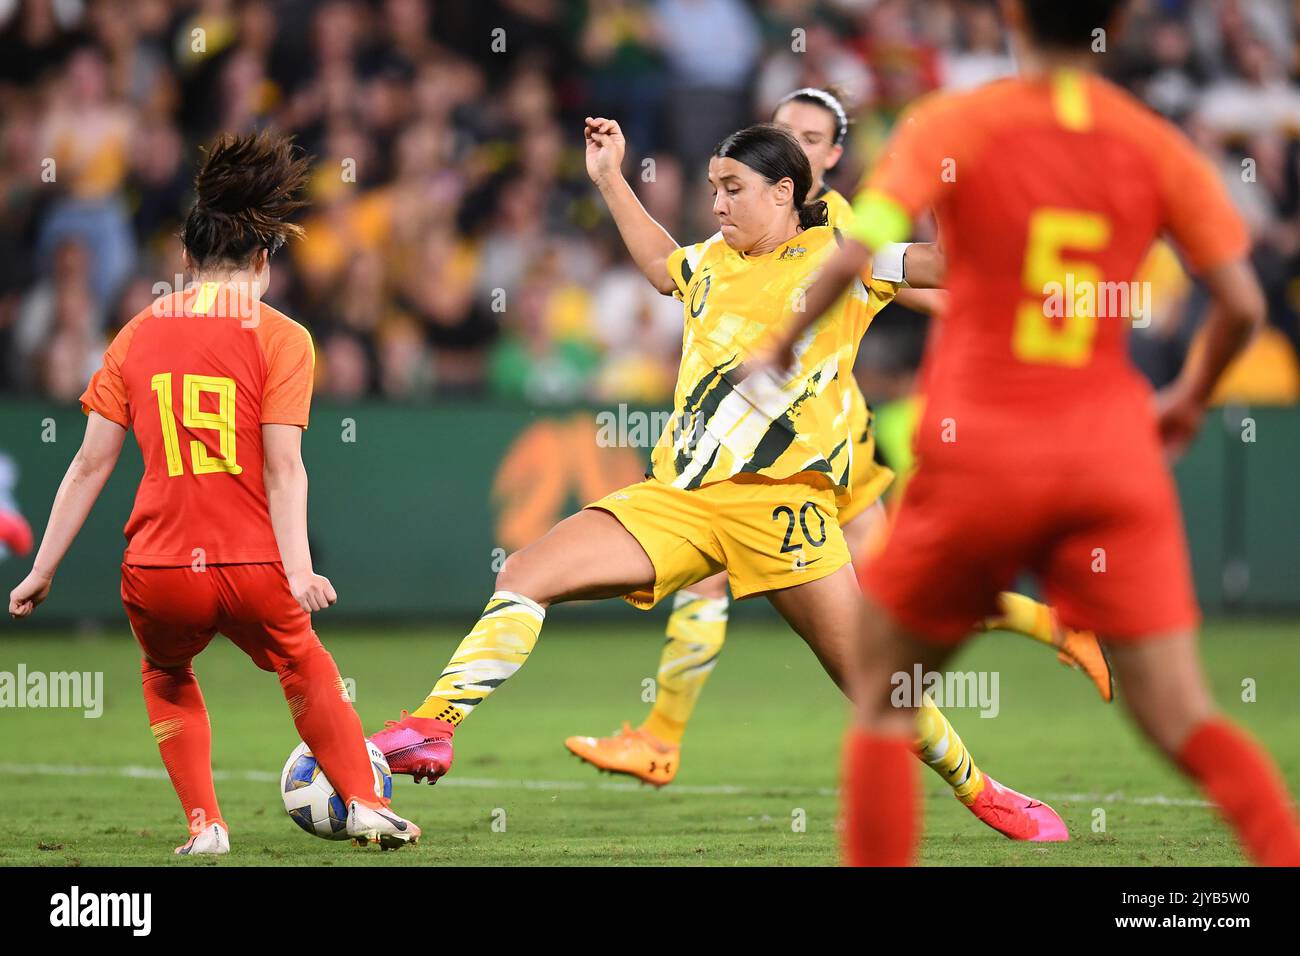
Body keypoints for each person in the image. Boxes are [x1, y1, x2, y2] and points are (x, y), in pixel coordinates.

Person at [370, 118, 1066, 842]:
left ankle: (983, 790)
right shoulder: (710, 262)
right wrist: (609, 176)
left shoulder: (845, 260)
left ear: (785, 192)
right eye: (713, 190)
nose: (719, 205)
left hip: (781, 511)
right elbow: (659, 263)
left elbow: (939, 265)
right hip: (678, 500)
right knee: (525, 571)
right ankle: (432, 726)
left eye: (733, 189)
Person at [765, 0, 1300, 866]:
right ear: (1119, 24)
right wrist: (1191, 396)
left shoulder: (953, 123)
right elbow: (1241, 304)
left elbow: (859, 245)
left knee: (883, 698)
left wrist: (780, 341)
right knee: (1184, 717)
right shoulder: (1153, 141)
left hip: (982, 452)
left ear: (1012, 13)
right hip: (1110, 453)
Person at [564, 86, 1114, 797]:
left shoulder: (843, 228)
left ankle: (663, 739)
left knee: (891, 602)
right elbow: (678, 276)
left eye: (809, 134)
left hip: (821, 450)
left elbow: (924, 278)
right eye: (782, 127)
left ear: (828, 157)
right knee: (758, 578)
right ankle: (661, 738)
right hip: (755, 455)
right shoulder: (746, 230)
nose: (791, 138)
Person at [7, 132, 420, 855]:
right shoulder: (284, 337)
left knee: (166, 673)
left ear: (186, 261)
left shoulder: (133, 335)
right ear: (263, 261)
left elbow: (88, 465)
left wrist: (42, 568)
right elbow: (284, 467)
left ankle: (206, 826)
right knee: (304, 662)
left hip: (160, 569)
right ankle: (364, 802)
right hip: (254, 565)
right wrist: (295, 568)